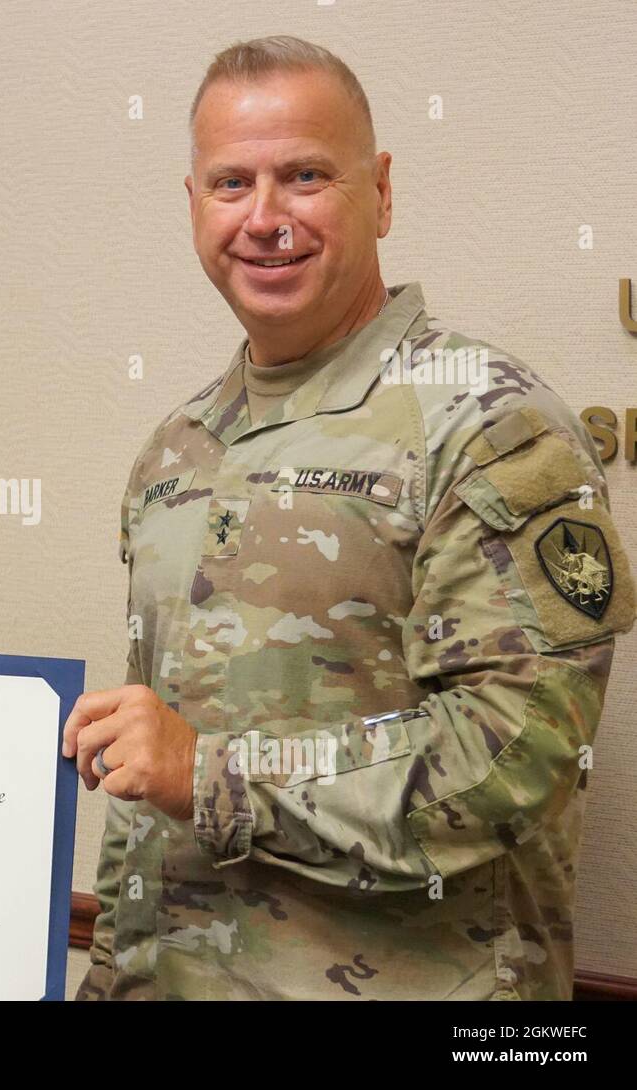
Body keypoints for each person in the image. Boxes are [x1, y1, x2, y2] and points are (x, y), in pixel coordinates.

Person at [64, 36, 634, 1000]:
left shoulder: (492, 426)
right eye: (231, 183)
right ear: (194, 206)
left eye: (306, 176)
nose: (266, 218)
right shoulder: (176, 450)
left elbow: (514, 757)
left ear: (381, 191)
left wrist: (210, 774)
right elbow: (145, 781)